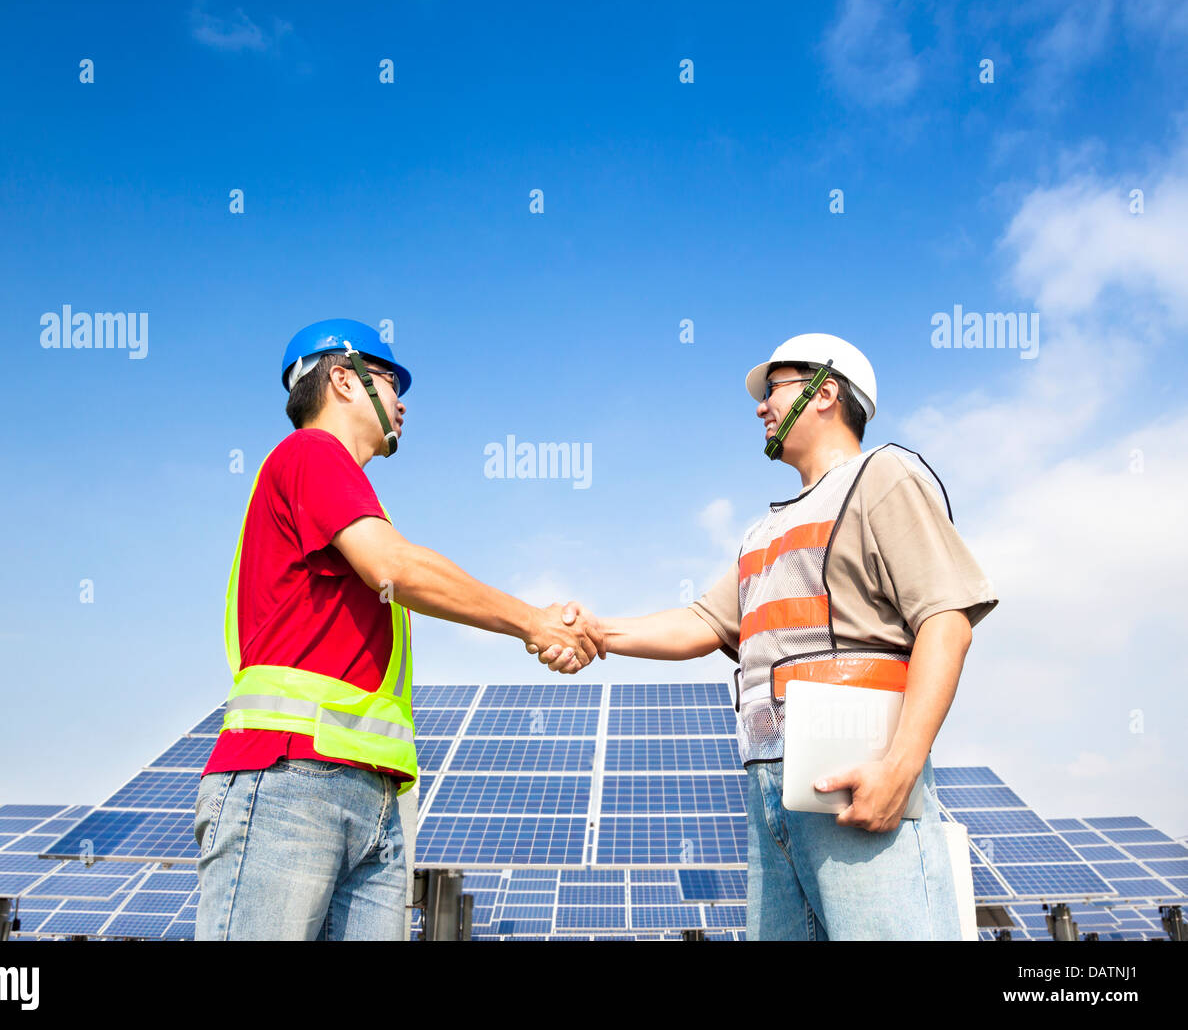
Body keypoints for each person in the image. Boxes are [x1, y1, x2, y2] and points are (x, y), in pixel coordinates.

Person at [536, 333, 997, 940]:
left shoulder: (882, 476)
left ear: (825, 392)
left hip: (857, 766)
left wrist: (900, 768)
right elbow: (703, 622)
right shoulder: (764, 529)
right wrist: (597, 631)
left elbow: (947, 622)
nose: (761, 407)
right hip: (770, 776)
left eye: (774, 389)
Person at [194, 318, 604, 940]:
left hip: (371, 792)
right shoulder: (310, 454)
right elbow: (396, 566)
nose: (401, 399)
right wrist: (534, 621)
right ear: (342, 379)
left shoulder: (344, 490)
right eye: (388, 379)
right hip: (289, 781)